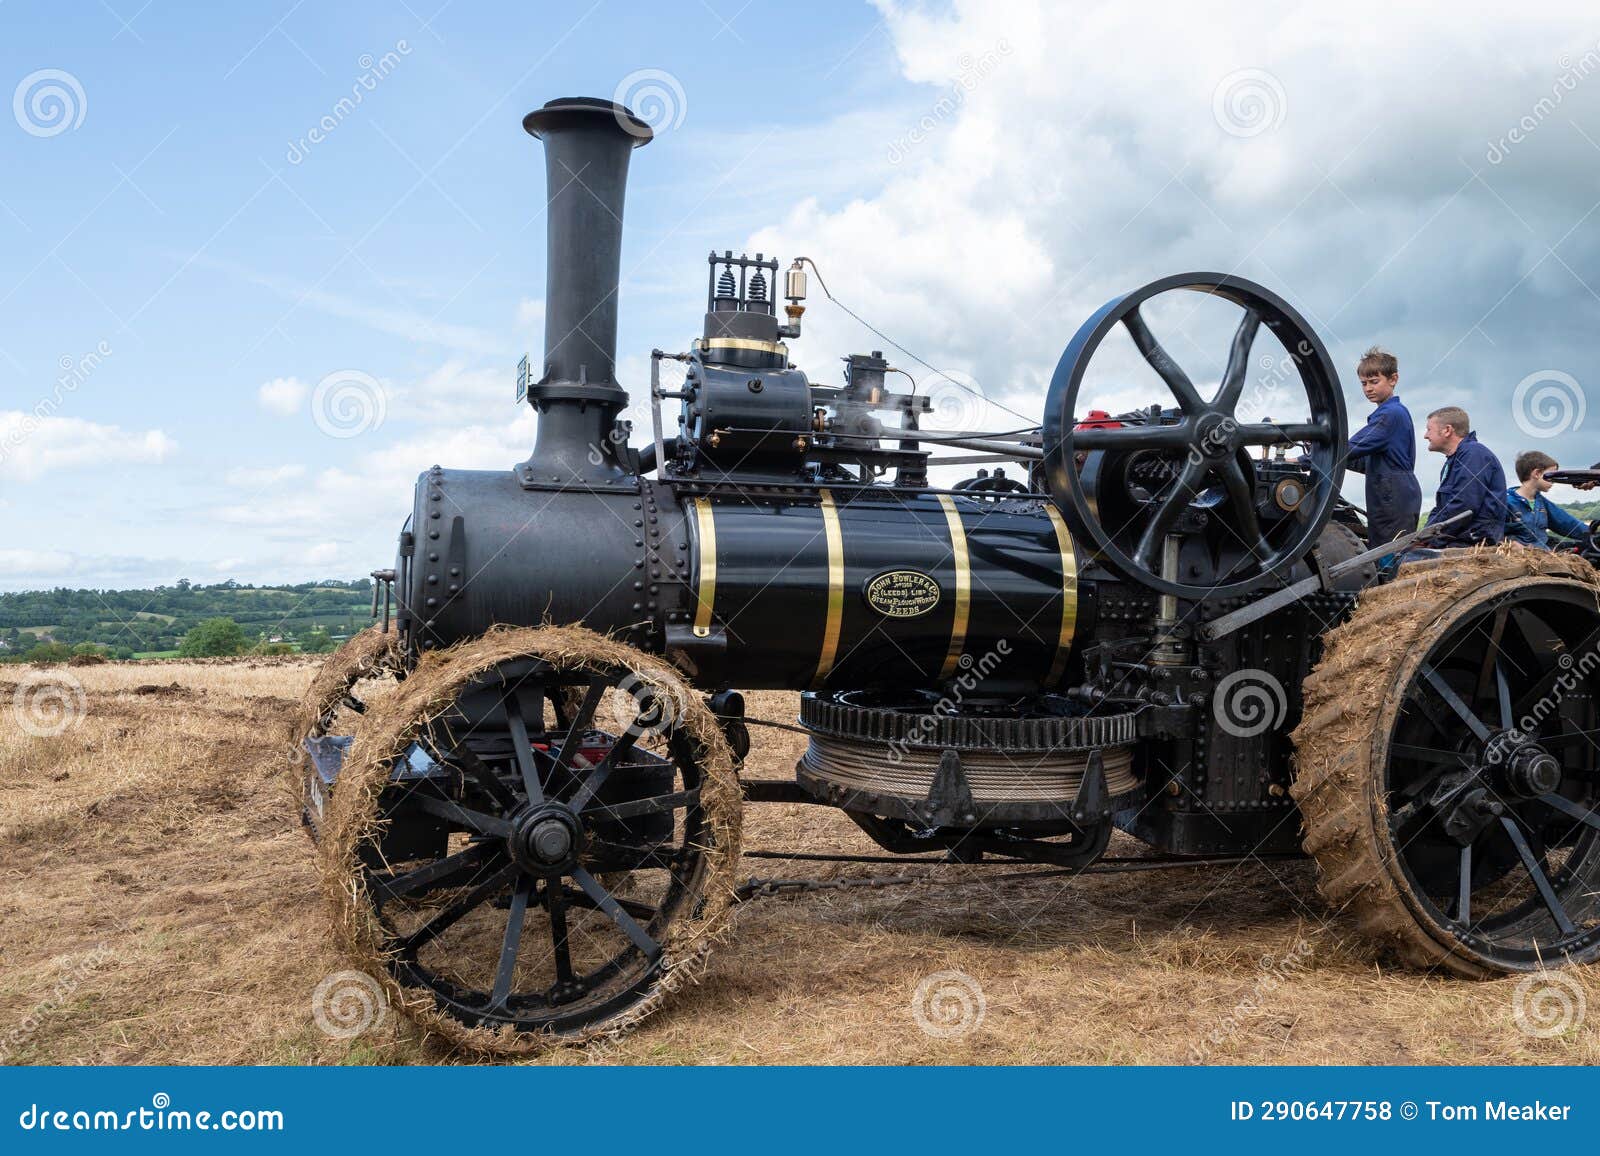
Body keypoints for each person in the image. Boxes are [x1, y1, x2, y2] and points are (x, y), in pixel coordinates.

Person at [1342, 346, 1422, 549]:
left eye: (1374, 382)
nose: (1368, 388)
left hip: (1393, 496)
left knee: (1389, 555)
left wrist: (1305, 459)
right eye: (1364, 383)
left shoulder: (1390, 415)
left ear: (1393, 379)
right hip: (1388, 493)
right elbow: (1362, 461)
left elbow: (1349, 448)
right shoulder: (1388, 414)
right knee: (1385, 552)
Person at [1422, 406, 1506, 547]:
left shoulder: (1474, 454)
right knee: (1403, 557)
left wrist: (1434, 542)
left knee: (1406, 562)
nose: (1425, 435)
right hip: (1456, 539)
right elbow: (1441, 509)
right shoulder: (1453, 460)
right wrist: (1422, 537)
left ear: (1447, 430)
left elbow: (1464, 506)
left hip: (1472, 542)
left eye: (1429, 429)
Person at [1505, 451, 1588, 549]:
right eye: (1551, 475)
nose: (1554, 481)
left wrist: (1591, 533)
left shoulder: (1541, 502)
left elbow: (1566, 522)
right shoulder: (1506, 502)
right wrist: (1509, 543)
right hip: (1519, 557)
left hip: (1543, 554)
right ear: (1537, 473)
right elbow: (1492, 530)